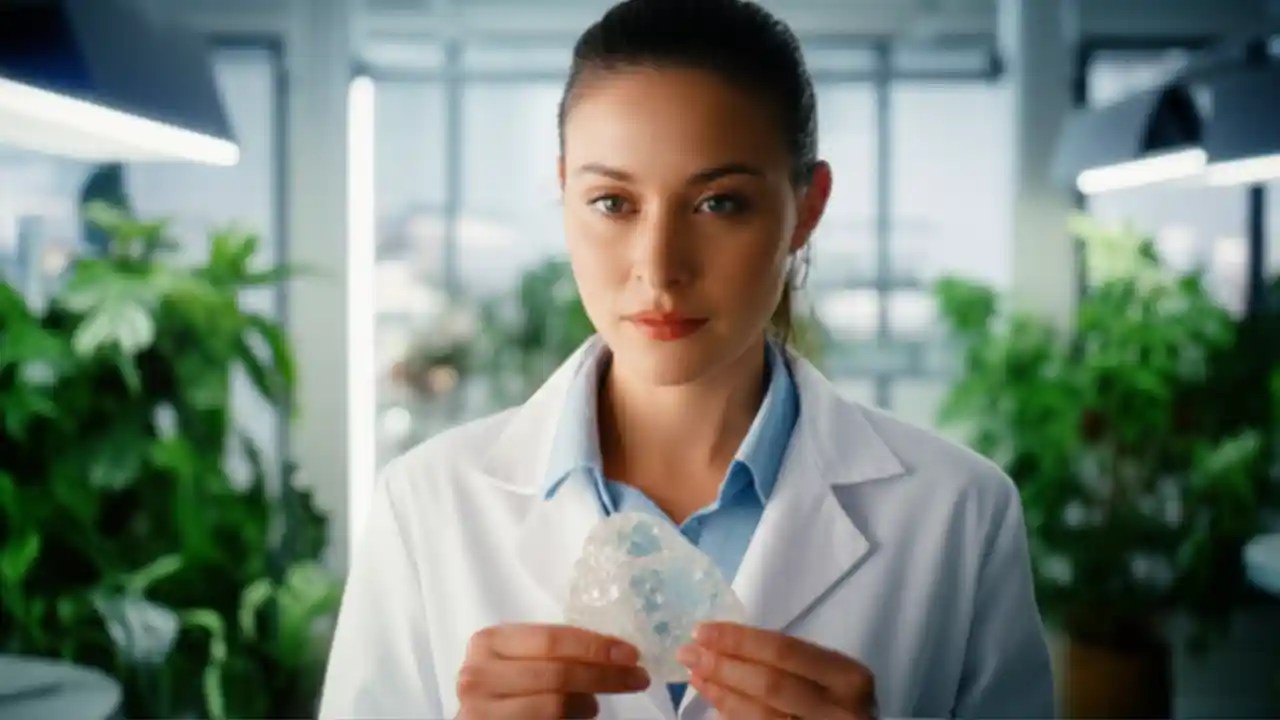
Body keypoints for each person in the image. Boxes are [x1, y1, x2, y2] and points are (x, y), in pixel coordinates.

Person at [319, 0, 1054, 718]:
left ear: (808, 207)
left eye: (719, 203)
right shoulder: (426, 506)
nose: (659, 268)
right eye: (612, 202)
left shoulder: (960, 513)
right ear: (564, 193)